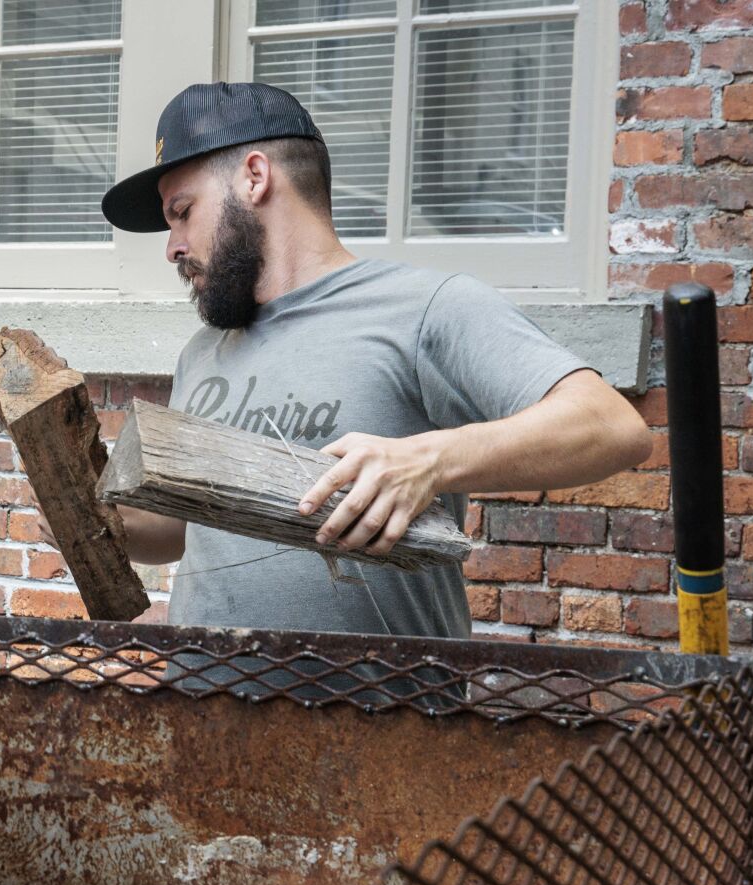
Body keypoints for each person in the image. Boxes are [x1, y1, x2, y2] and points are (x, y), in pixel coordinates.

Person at [96, 82, 652, 639]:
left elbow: (612, 426)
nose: (172, 247)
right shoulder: (201, 354)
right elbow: (182, 529)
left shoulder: (424, 308)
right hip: (203, 692)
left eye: (182, 212)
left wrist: (431, 461)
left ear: (255, 177)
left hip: (384, 692)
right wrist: (82, 514)